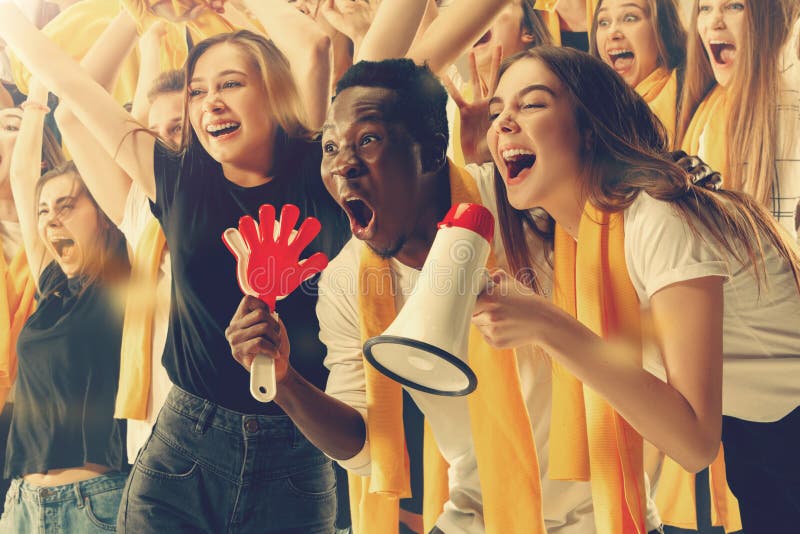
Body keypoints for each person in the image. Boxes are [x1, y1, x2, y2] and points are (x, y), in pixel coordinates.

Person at [0, 3, 353, 531]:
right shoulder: (180, 180)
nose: (211, 101)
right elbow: (69, 86)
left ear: (274, 90)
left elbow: (313, 45)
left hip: (297, 451)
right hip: (184, 452)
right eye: (196, 91)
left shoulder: (319, 171)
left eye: (230, 83)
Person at [476, 45, 800, 533]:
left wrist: (547, 325)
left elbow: (694, 443)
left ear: (590, 129)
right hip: (760, 442)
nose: (503, 122)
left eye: (532, 103)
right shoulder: (577, 238)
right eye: (496, 111)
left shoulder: (658, 219)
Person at [0, 79, 129, 532]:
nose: (51, 218)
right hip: (21, 503)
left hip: (93, 505)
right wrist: (36, 92)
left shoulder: (125, 277)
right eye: (43, 210)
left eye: (67, 205)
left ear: (104, 214)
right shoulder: (52, 282)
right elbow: (22, 176)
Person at [676, 0, 799, 239]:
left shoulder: (784, 105)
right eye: (705, 8)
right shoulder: (711, 104)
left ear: (769, 17)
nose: (714, 21)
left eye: (734, 6)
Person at [590, 0, 685, 143]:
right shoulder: (588, 109)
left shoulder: (690, 96)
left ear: (663, 28)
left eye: (630, 18)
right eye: (604, 22)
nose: (612, 33)